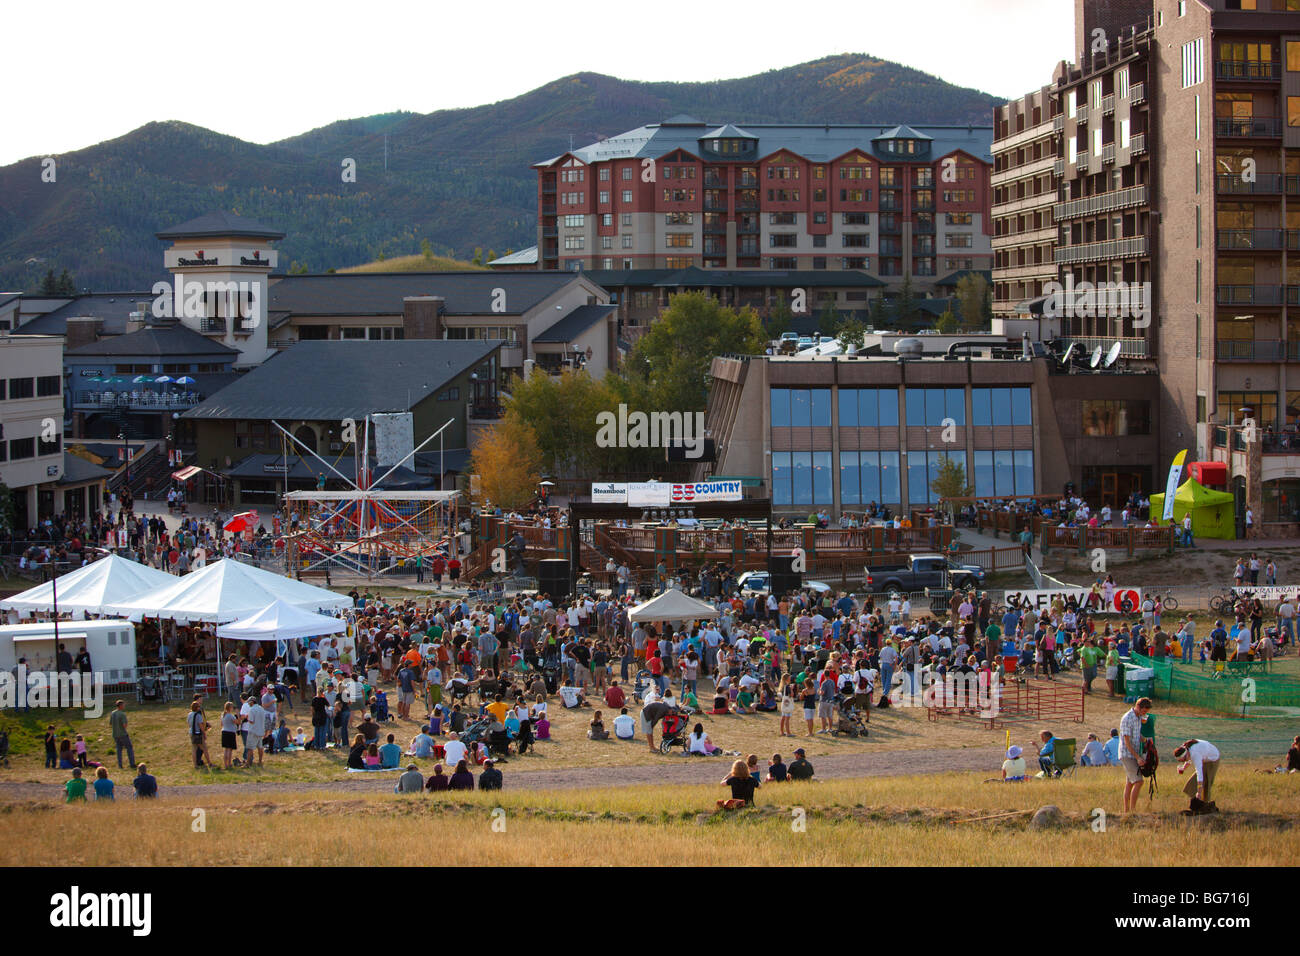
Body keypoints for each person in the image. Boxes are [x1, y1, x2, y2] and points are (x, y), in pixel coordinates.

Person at [1120, 697, 1153, 813]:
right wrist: (1138, 757)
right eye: (1144, 711)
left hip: (1133, 754)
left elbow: (1137, 735)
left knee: (1130, 783)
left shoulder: (1138, 718)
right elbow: (1127, 741)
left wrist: (1147, 741)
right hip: (1127, 754)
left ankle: (1127, 811)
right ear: (1138, 707)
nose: (1145, 714)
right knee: (1139, 782)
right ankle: (1132, 811)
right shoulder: (1127, 718)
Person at [1172, 738, 1221, 813]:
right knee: (1192, 783)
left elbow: (1199, 774)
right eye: (1181, 761)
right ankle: (1198, 803)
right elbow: (1189, 759)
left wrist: (1199, 792)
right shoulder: (1184, 749)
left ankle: (1205, 806)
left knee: (1206, 782)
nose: (1184, 761)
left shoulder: (1195, 754)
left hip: (1213, 758)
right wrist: (1183, 768)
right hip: (1204, 758)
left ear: (1186, 754)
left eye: (1183, 760)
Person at [109, 700, 135, 770]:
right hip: (123, 734)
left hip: (115, 734)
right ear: (120, 706)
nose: (124, 706)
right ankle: (132, 764)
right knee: (129, 748)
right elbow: (124, 725)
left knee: (119, 750)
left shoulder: (113, 713)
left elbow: (110, 723)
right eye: (123, 705)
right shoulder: (122, 714)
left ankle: (120, 765)